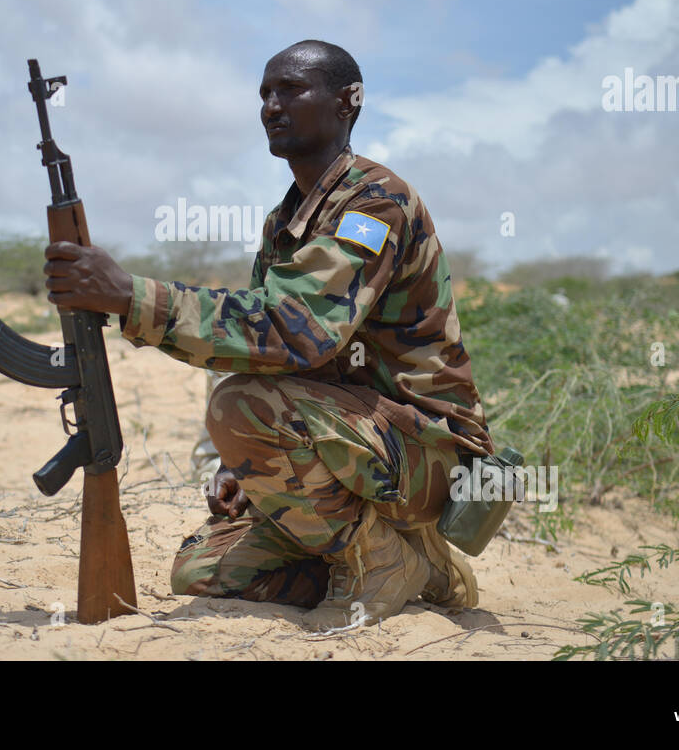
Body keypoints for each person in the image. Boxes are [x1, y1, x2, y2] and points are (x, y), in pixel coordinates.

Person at [44, 40, 494, 628]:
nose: (271, 106)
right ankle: (423, 569)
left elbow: (293, 331)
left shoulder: (376, 203)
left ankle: (380, 559)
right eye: (264, 93)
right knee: (203, 570)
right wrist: (244, 471)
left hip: (428, 454)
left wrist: (130, 297)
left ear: (347, 102)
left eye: (290, 89)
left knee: (240, 404)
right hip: (354, 439)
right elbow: (268, 352)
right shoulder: (286, 222)